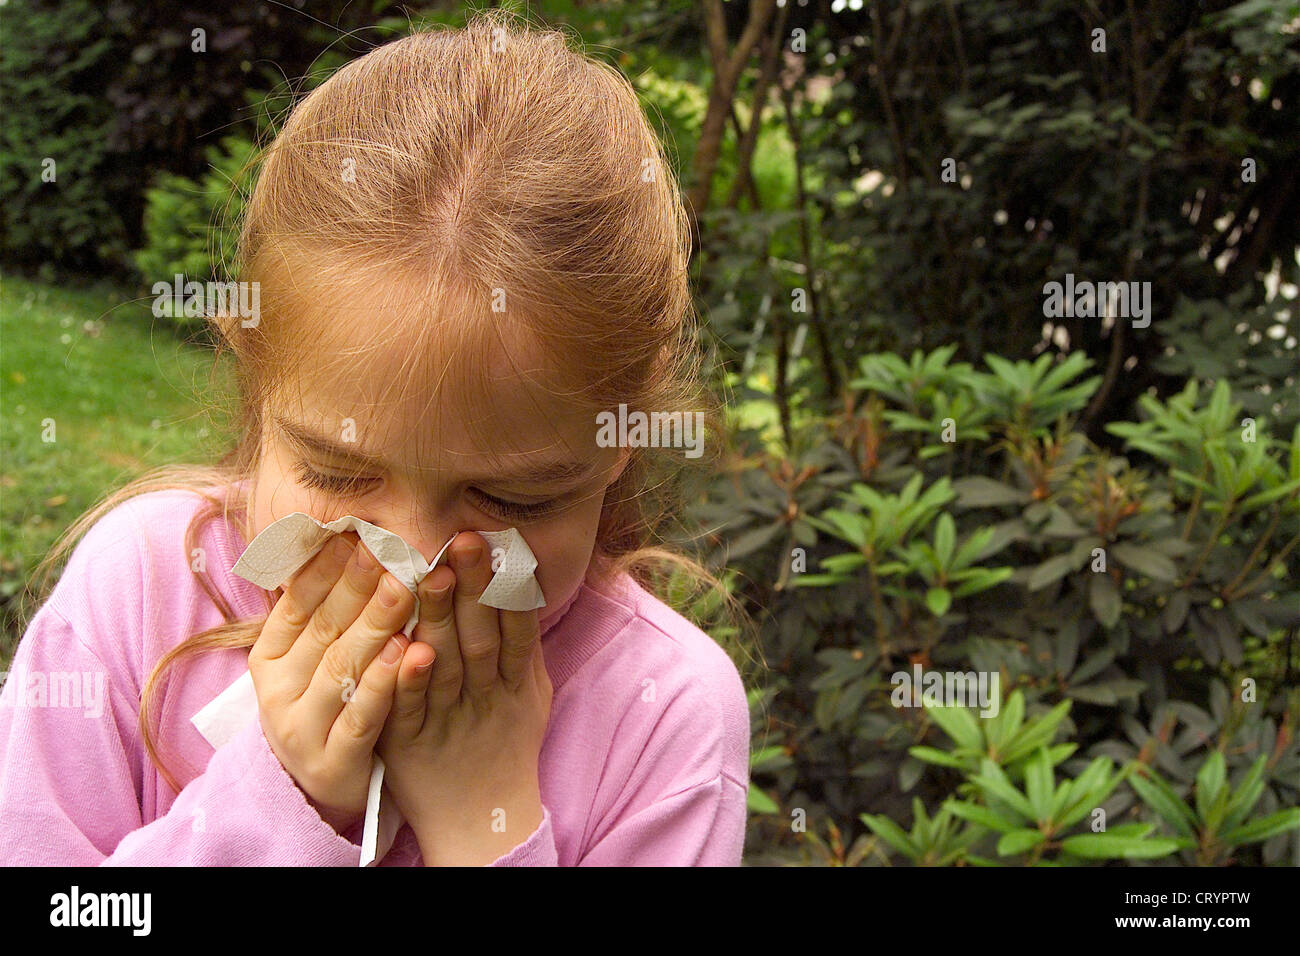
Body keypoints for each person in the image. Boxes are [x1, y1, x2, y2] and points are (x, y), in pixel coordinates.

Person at [0, 10, 751, 866]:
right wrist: (283, 801)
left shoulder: (663, 715)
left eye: (512, 498)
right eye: (338, 472)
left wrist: (486, 825)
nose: (419, 561)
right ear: (255, 378)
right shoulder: (142, 587)